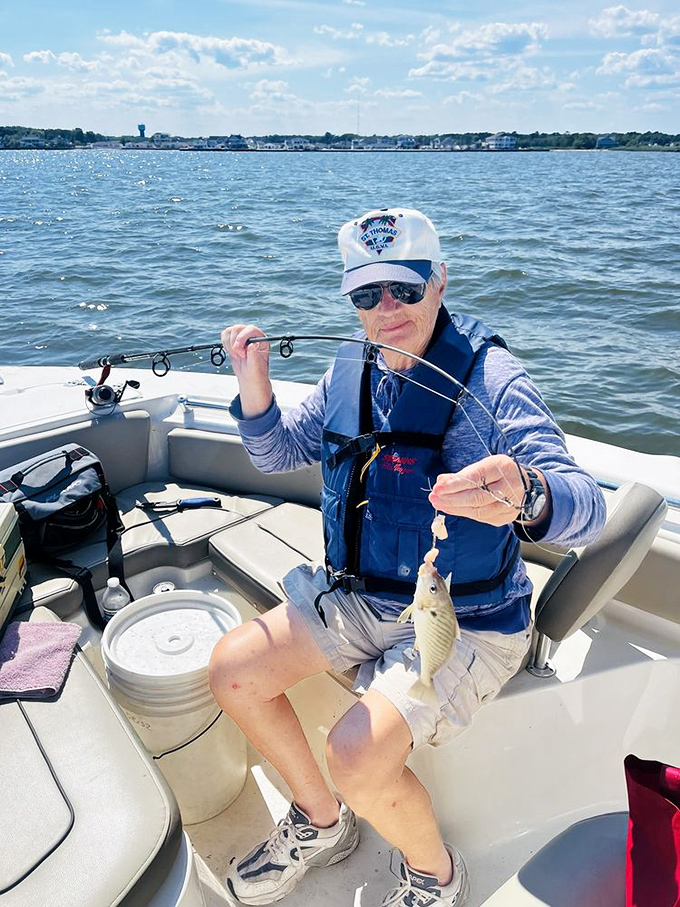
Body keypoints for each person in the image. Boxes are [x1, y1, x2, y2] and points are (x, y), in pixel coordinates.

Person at [209, 207, 606, 907]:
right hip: (362, 596)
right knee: (232, 670)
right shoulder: (348, 369)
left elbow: (587, 507)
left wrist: (528, 491)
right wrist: (253, 378)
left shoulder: (492, 379)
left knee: (356, 754)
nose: (386, 309)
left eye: (405, 289)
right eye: (367, 294)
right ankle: (320, 820)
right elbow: (275, 452)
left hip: (468, 614)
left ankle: (437, 877)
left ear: (440, 281)